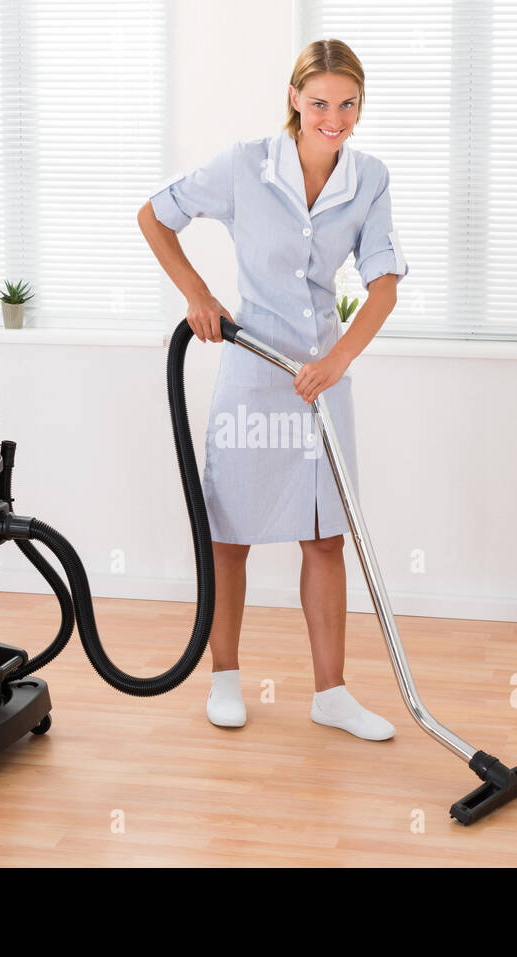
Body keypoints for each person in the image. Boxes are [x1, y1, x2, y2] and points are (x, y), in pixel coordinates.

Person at [136, 39, 409, 741]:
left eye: (347, 104)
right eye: (320, 102)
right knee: (231, 536)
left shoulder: (369, 178)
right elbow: (155, 216)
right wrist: (198, 294)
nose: (335, 117)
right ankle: (224, 678)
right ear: (295, 99)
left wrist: (339, 360)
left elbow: (383, 285)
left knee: (324, 539)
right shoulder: (244, 167)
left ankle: (332, 693)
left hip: (322, 380)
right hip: (252, 375)